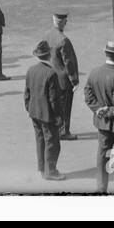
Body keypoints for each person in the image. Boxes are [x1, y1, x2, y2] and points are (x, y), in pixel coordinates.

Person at [25, 39, 66, 181]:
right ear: (49, 55)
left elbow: (27, 94)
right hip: (47, 114)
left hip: (34, 112)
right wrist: (59, 116)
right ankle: (51, 171)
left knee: (40, 140)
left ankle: (42, 168)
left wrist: (29, 108)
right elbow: (54, 99)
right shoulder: (51, 74)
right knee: (52, 142)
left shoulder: (31, 70)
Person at [84, 40, 114, 194]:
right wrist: (110, 110)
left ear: (105, 53)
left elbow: (88, 94)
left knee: (102, 154)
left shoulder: (94, 72)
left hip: (102, 123)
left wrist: (98, 109)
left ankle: (101, 187)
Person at [46, 12, 79, 139]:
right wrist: (74, 80)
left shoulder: (47, 35)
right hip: (63, 79)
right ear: (64, 22)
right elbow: (68, 62)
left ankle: (54, 128)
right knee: (65, 106)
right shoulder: (64, 41)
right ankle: (63, 131)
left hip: (51, 75)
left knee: (54, 103)